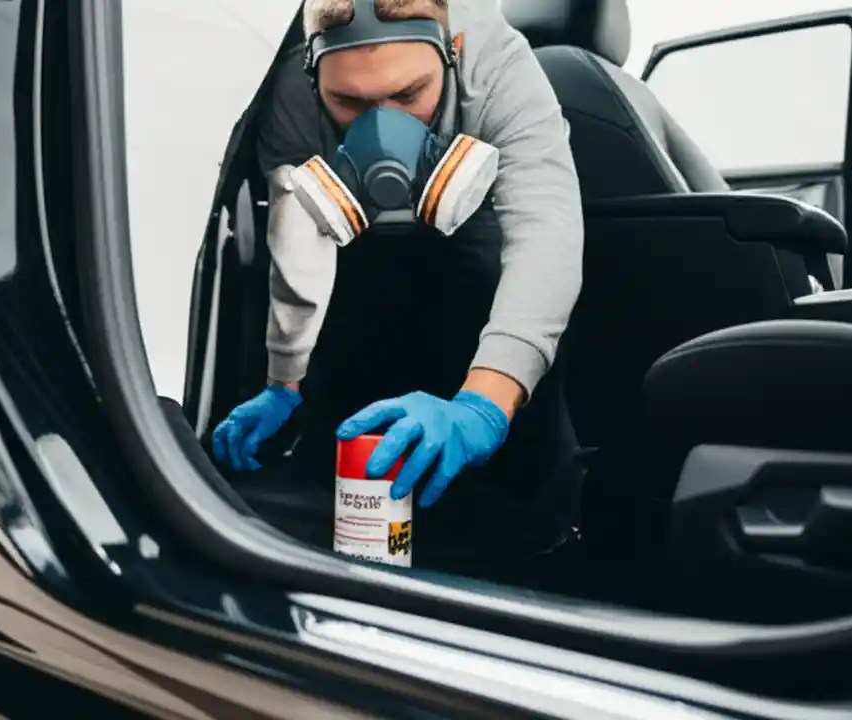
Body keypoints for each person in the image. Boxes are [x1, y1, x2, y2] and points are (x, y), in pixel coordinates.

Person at [212, 0, 585, 581]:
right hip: (359, 290)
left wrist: (484, 405)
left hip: (476, 291)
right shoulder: (290, 90)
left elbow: (547, 235)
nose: (380, 126)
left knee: (488, 259)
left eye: (410, 94)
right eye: (349, 102)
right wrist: (283, 381)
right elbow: (297, 243)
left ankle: (522, 520)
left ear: (451, 53)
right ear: (314, 74)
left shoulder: (498, 68)